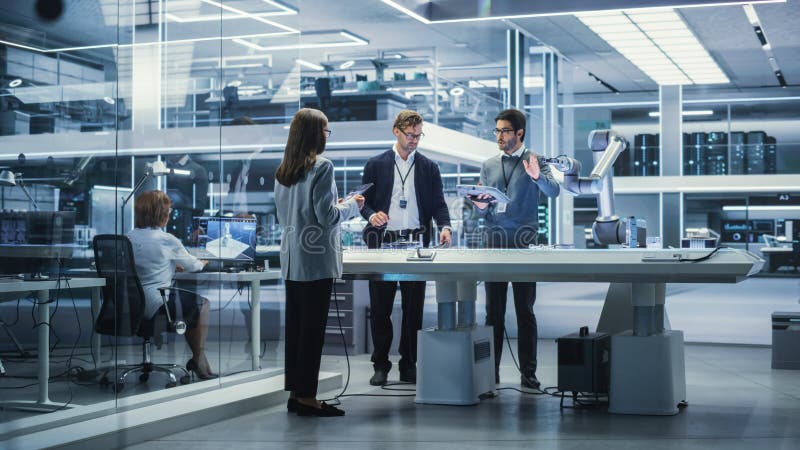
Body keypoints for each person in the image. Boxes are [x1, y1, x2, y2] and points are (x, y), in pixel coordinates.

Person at [274, 108, 364, 417]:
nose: (327, 136)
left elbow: (292, 214)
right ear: (315, 133)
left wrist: (335, 205)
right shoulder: (322, 167)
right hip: (316, 263)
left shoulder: (283, 170)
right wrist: (351, 205)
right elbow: (327, 217)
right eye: (326, 130)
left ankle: (297, 394)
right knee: (312, 333)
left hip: (292, 260)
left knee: (298, 332)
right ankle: (309, 398)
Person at [469, 108, 560, 389]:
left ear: (519, 133)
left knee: (525, 310)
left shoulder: (535, 160)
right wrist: (481, 207)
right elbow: (481, 212)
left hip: (524, 242)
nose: (499, 136)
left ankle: (528, 373)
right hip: (493, 243)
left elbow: (553, 191)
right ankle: (490, 373)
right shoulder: (489, 164)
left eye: (504, 131)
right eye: (496, 130)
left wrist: (536, 177)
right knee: (493, 313)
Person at [360, 109, 452, 386]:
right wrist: (370, 215)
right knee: (380, 308)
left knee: (414, 308)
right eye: (410, 135)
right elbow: (364, 202)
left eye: (418, 135)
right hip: (384, 242)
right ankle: (380, 364)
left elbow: (438, 203)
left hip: (416, 243)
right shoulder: (375, 164)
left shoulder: (428, 167)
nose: (414, 140)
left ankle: (408, 363)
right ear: (396, 131)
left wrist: (445, 226)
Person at [127, 190, 215, 379]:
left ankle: (199, 358)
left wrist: (171, 265)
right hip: (158, 305)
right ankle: (199, 358)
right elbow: (194, 266)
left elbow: (144, 266)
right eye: (167, 212)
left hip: (130, 306)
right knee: (202, 304)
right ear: (161, 215)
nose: (169, 215)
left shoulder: (127, 238)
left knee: (189, 304)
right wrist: (203, 261)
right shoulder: (167, 240)